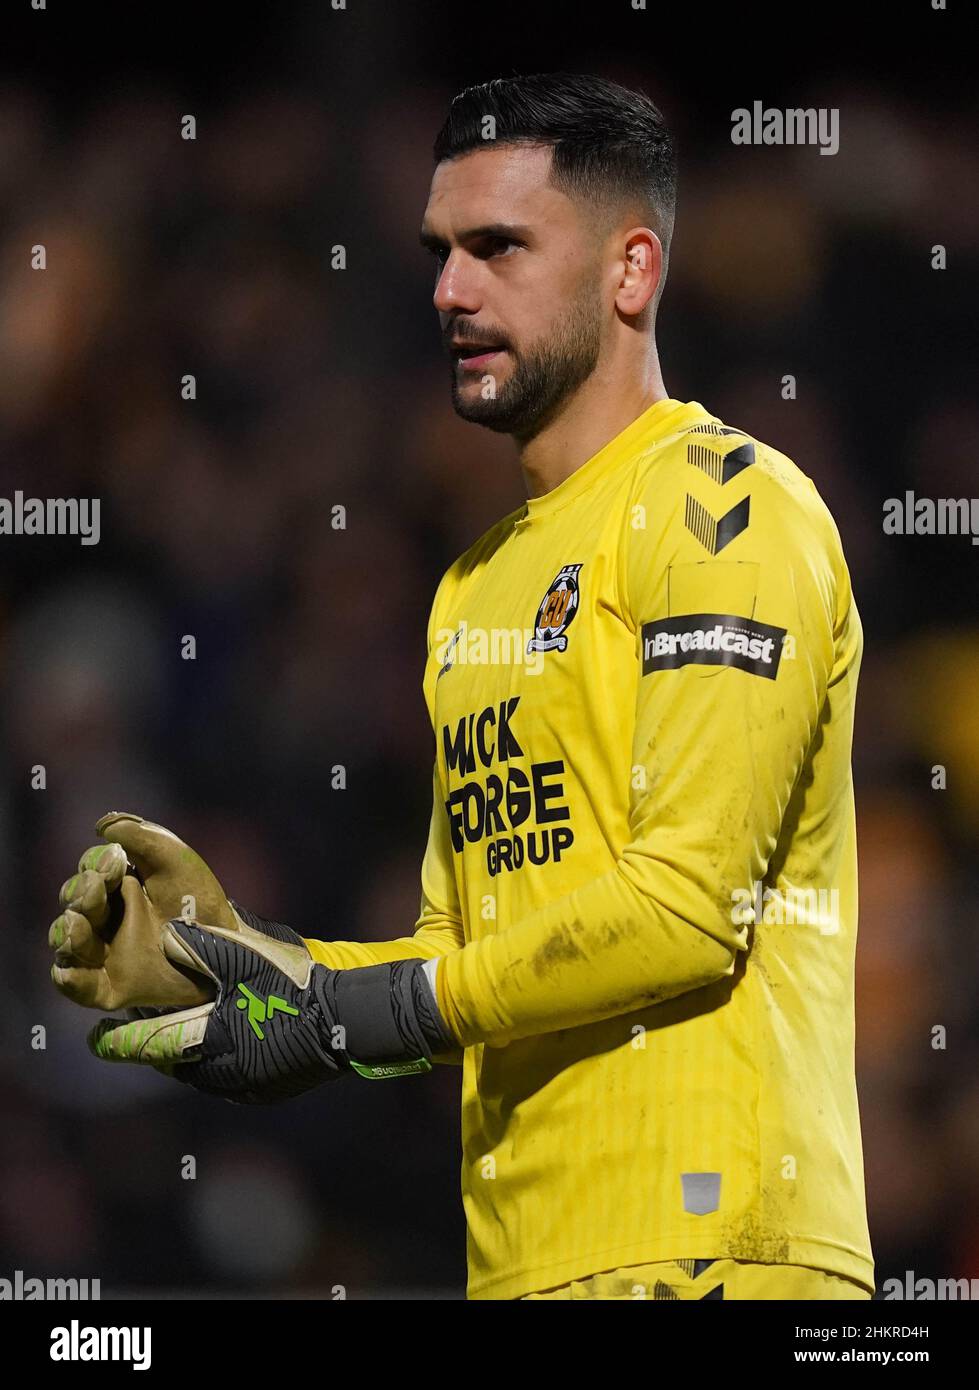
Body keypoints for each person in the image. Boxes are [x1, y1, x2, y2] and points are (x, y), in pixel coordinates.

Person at [49, 72, 874, 1302]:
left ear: (630, 271)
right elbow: (459, 955)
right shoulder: (473, 588)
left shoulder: (723, 510)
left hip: (718, 1248)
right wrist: (260, 975)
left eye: (498, 247)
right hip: (521, 1264)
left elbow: (688, 904)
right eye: (440, 251)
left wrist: (344, 1009)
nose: (448, 290)